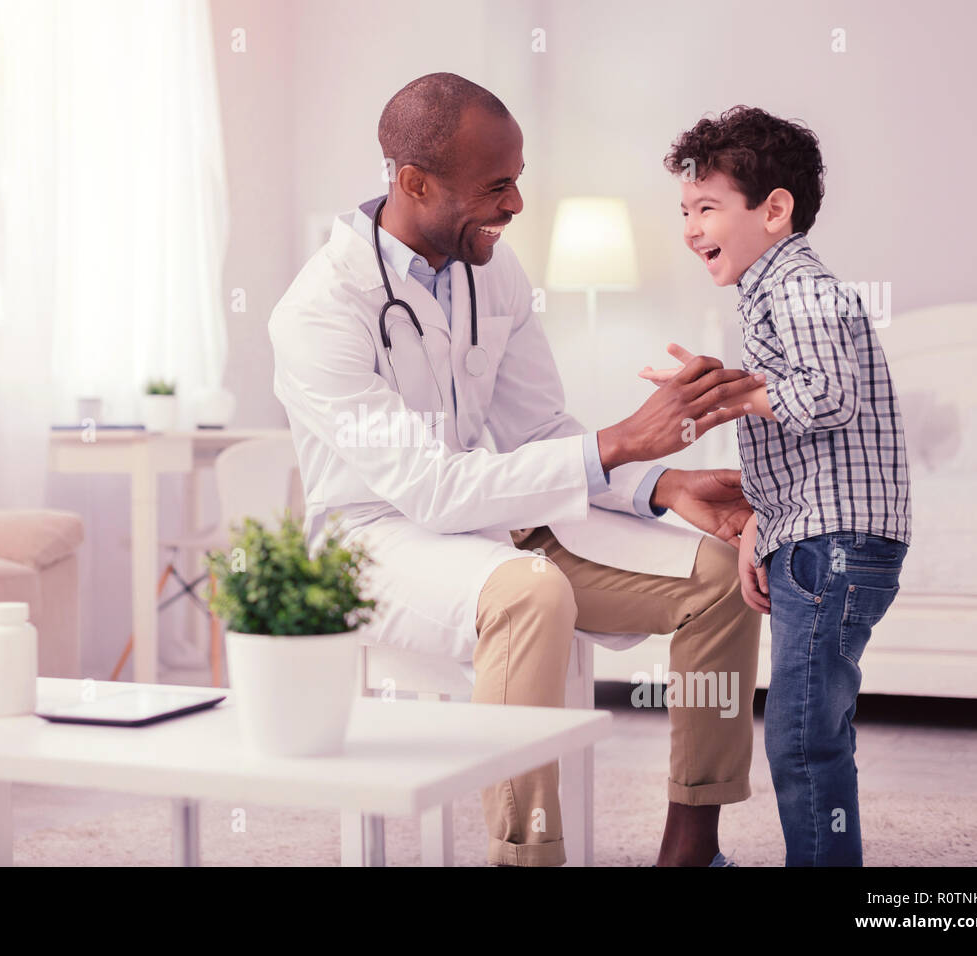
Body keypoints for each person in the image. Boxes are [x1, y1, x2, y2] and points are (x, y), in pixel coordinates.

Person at [269, 73, 765, 866]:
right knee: (531, 592)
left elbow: (537, 429)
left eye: (518, 179)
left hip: (498, 517)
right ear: (413, 182)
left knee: (720, 577)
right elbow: (428, 490)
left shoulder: (491, 271)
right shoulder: (321, 309)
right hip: (375, 542)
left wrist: (664, 486)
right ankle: (524, 857)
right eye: (496, 185)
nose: (516, 205)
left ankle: (692, 846)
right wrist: (619, 444)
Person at [648, 105, 913, 865]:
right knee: (810, 734)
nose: (692, 228)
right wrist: (763, 524)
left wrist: (726, 392)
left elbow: (828, 398)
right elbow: (804, 438)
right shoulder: (774, 291)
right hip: (815, 534)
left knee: (802, 742)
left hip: (833, 546)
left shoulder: (796, 289)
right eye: (685, 212)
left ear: (774, 210)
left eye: (707, 208)